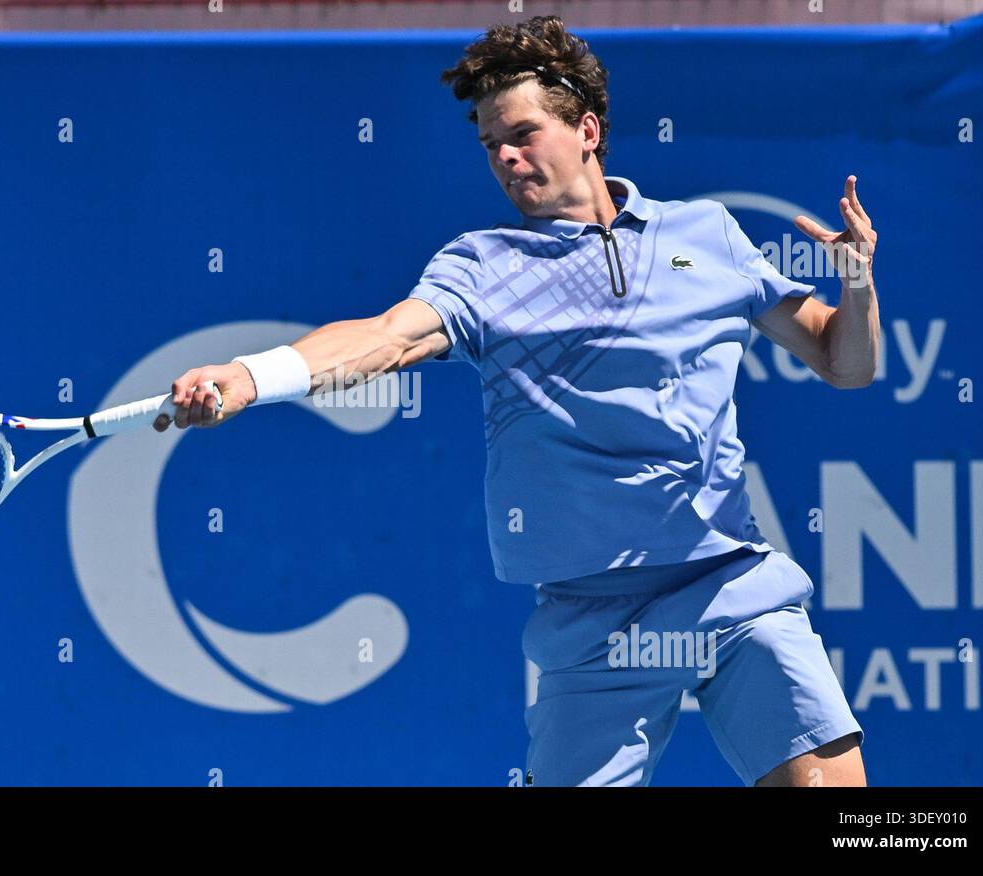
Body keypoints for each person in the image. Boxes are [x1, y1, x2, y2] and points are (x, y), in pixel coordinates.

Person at [153, 16, 880, 787]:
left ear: (588, 130)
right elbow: (386, 339)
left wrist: (859, 282)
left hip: (730, 585)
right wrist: (253, 375)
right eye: (491, 144)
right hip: (592, 622)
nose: (505, 156)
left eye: (524, 133)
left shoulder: (708, 235)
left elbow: (845, 362)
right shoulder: (482, 266)